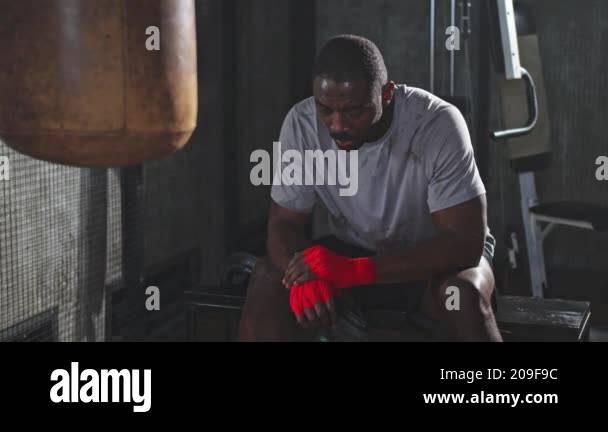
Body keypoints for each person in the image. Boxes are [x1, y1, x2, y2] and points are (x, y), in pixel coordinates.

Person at [238, 34, 502, 341]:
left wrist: (355, 271)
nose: (338, 125)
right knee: (268, 276)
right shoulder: (302, 123)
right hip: (352, 253)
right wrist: (301, 279)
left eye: (354, 111)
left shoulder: (436, 123)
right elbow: (283, 224)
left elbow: (463, 244)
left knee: (462, 295)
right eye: (326, 110)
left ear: (386, 93)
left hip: (434, 259)